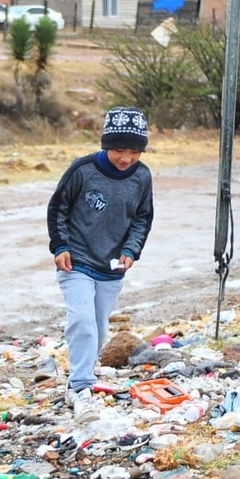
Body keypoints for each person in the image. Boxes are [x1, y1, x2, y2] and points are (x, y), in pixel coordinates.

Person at [47, 107, 154, 422]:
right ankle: (81, 387)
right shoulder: (83, 170)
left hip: (112, 266)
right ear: (107, 144)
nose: (126, 158)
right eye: (120, 150)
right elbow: (58, 207)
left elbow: (142, 218)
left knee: (98, 326)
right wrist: (60, 245)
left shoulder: (142, 176)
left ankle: (81, 375)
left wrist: (132, 250)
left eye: (134, 151)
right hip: (75, 260)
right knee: (81, 320)